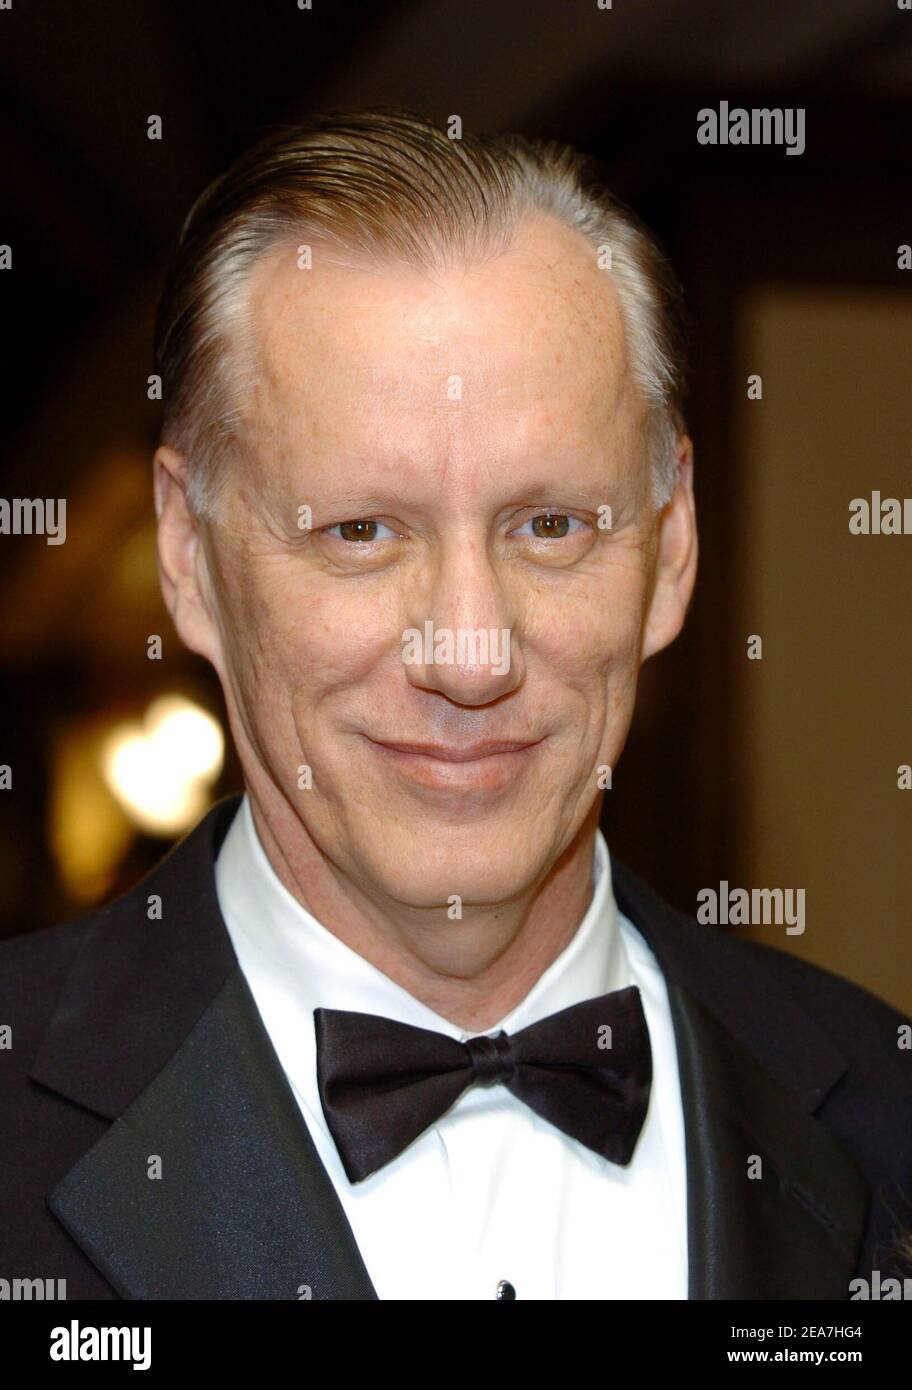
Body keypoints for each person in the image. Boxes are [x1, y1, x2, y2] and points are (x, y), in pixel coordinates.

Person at [2, 108, 910, 1301]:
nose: (471, 653)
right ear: (189, 555)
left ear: (673, 546)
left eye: (550, 525)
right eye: (361, 531)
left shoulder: (882, 1117)